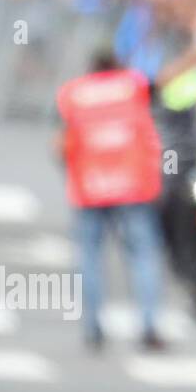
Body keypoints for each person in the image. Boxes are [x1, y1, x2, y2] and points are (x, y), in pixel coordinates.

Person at [55, 49, 166, 350]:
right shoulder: (133, 85)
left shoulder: (74, 93)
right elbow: (166, 80)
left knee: (89, 256)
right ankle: (148, 323)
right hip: (132, 186)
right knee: (142, 255)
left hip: (90, 187)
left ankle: (92, 327)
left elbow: (62, 144)